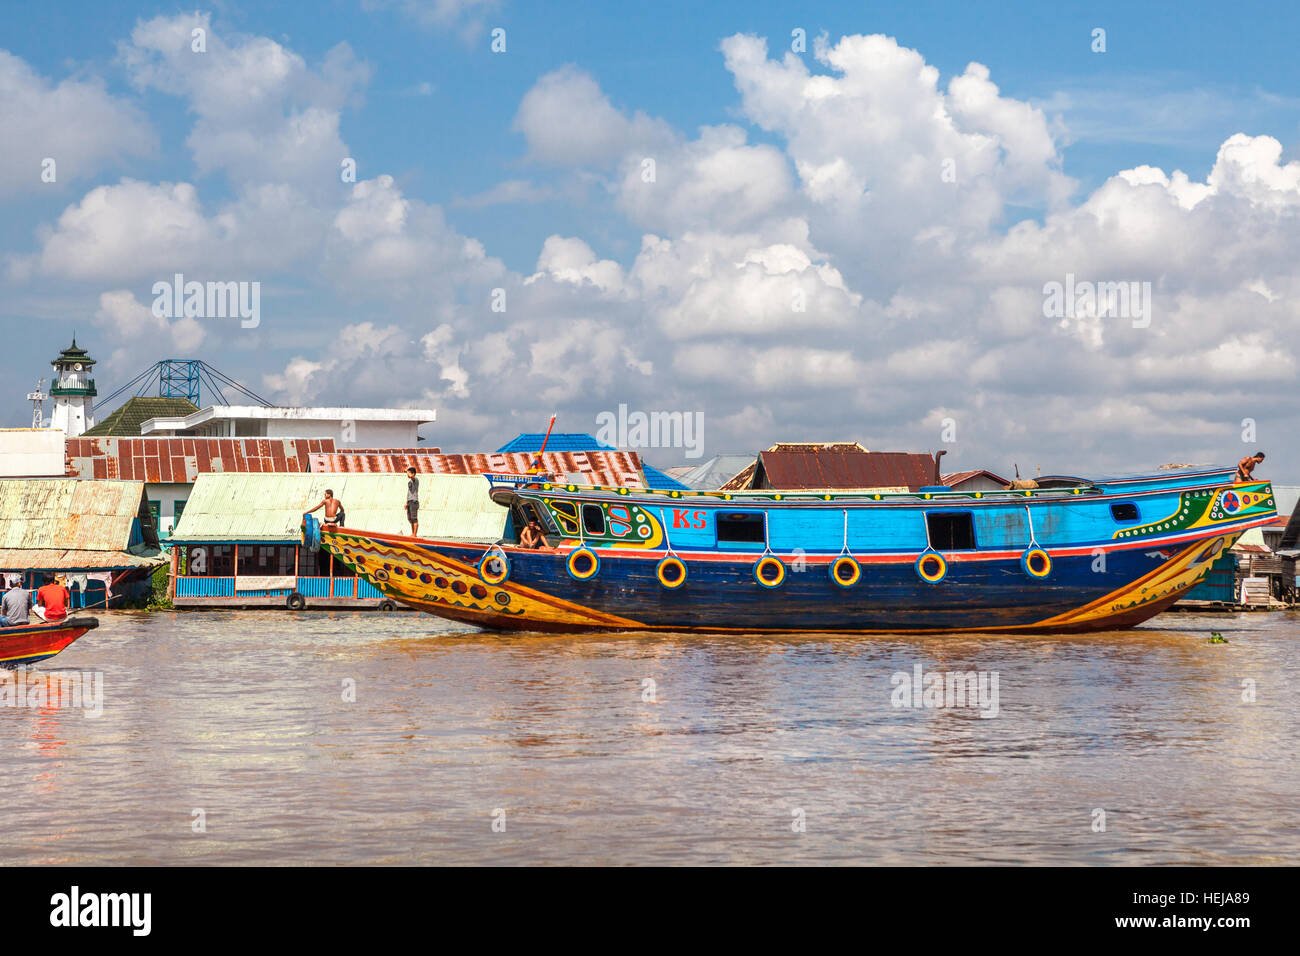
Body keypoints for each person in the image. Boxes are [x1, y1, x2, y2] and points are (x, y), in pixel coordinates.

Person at [405, 466, 419, 536]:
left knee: (414, 518)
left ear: (413, 474)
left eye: (409, 473)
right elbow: (409, 492)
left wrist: (411, 475)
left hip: (414, 501)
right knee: (410, 518)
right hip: (409, 501)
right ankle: (413, 533)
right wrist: (406, 502)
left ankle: (414, 534)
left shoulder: (415, 480)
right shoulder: (409, 482)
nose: (407, 474)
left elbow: (413, 478)